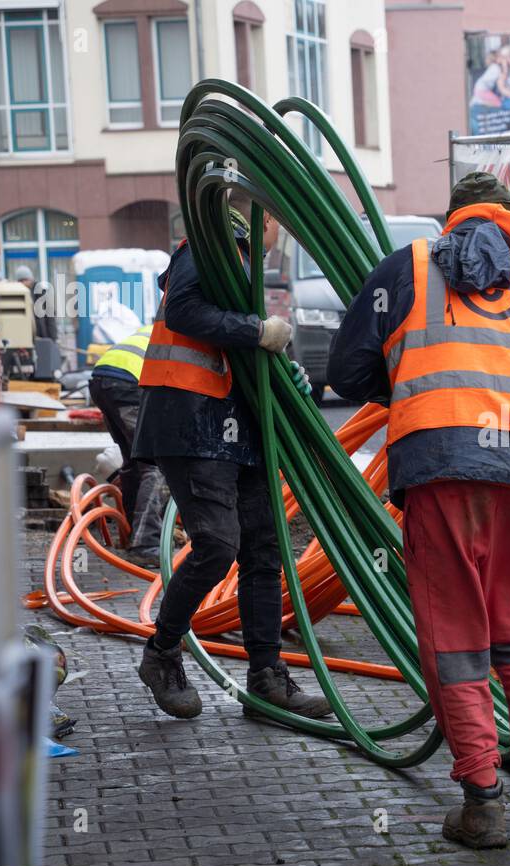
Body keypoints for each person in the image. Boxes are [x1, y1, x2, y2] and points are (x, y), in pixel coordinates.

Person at [328, 172, 510, 849]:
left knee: (456, 643)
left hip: (441, 465)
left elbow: (346, 372)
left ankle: (481, 802)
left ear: (452, 220)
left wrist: (412, 380)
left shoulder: (408, 268)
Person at [130, 199, 331, 723]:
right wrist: (257, 332)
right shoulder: (210, 245)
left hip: (239, 425)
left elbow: (237, 343)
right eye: (280, 225)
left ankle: (267, 680)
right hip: (190, 418)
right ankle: (162, 653)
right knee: (219, 544)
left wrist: (284, 370)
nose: (278, 237)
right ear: (266, 217)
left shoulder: (241, 266)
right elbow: (185, 312)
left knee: (263, 551)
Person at [89, 324, 165, 566]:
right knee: (158, 463)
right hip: (129, 383)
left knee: (134, 461)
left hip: (102, 378)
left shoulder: (160, 326)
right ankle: (146, 544)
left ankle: (134, 536)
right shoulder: (190, 337)